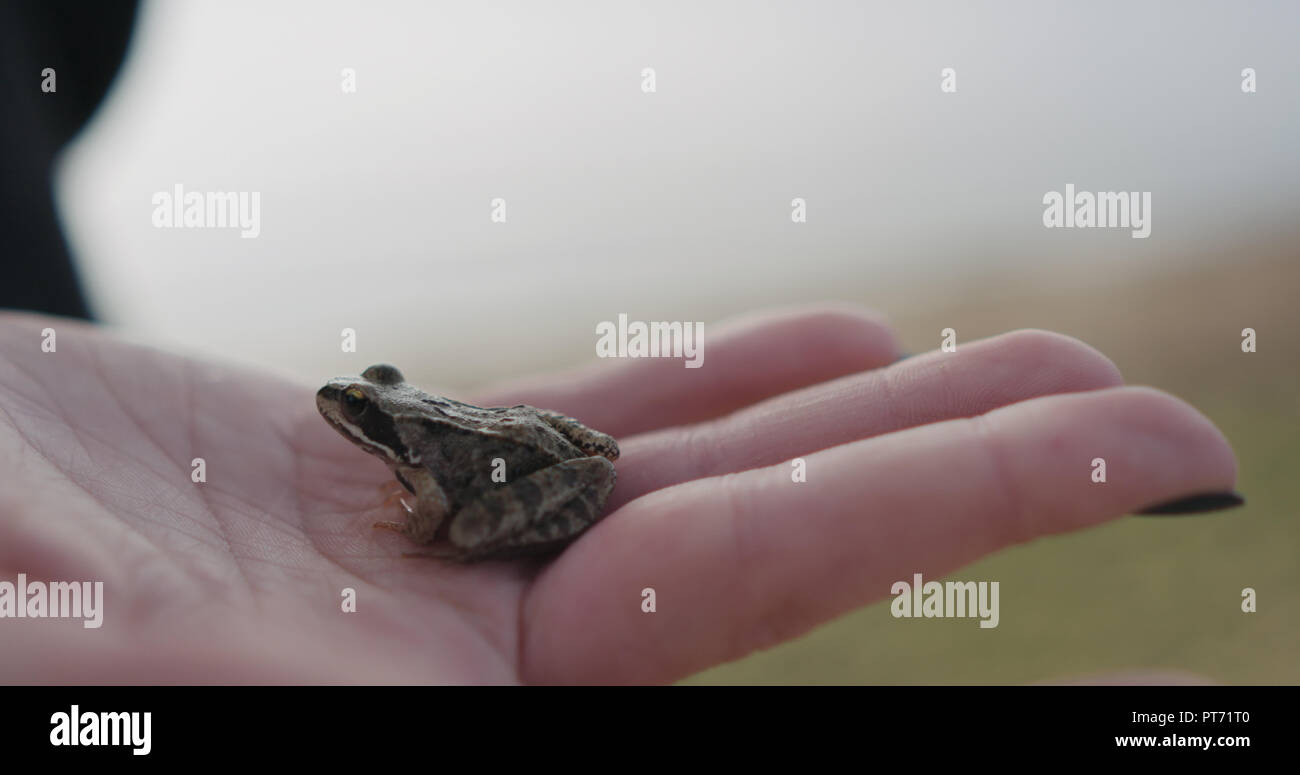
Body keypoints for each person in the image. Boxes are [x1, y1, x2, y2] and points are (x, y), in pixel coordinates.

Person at [0, 305, 1239, 683]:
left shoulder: (415, 449)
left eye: (369, 409)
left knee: (460, 521)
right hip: (553, 442)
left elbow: (437, 494)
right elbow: (556, 439)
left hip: (518, 467)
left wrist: (427, 524)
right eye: (366, 406)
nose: (359, 416)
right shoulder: (412, 424)